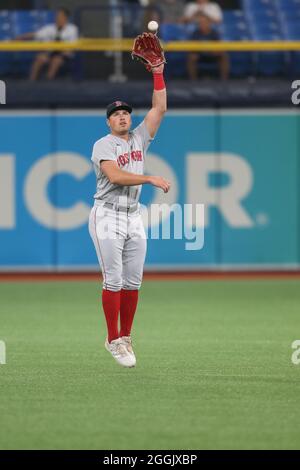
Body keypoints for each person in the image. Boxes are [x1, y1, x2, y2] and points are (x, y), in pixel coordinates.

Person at [88, 63, 170, 368]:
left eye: (125, 112)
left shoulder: (139, 138)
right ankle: (112, 339)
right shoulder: (103, 145)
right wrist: (149, 179)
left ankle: (125, 336)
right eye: (116, 113)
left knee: (133, 281)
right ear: (109, 122)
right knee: (114, 279)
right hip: (107, 215)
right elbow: (116, 177)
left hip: (133, 215)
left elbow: (159, 108)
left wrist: (158, 71)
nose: (122, 115)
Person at [15, 8, 78, 81]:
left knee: (56, 60)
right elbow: (36, 34)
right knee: (40, 57)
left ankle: (48, 80)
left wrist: (64, 52)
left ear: (65, 17)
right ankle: (31, 80)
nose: (58, 18)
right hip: (50, 53)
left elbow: (73, 45)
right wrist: (21, 37)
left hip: (65, 54)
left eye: (60, 16)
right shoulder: (50, 28)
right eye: (57, 16)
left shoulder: (73, 29)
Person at [187, 11, 229, 80]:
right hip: (200, 55)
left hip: (212, 54)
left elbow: (219, 46)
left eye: (205, 23)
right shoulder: (195, 33)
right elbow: (191, 47)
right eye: (201, 23)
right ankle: (193, 80)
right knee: (191, 57)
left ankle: (224, 80)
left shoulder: (214, 33)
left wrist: (216, 51)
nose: (203, 24)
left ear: (209, 23)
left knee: (224, 56)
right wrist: (196, 52)